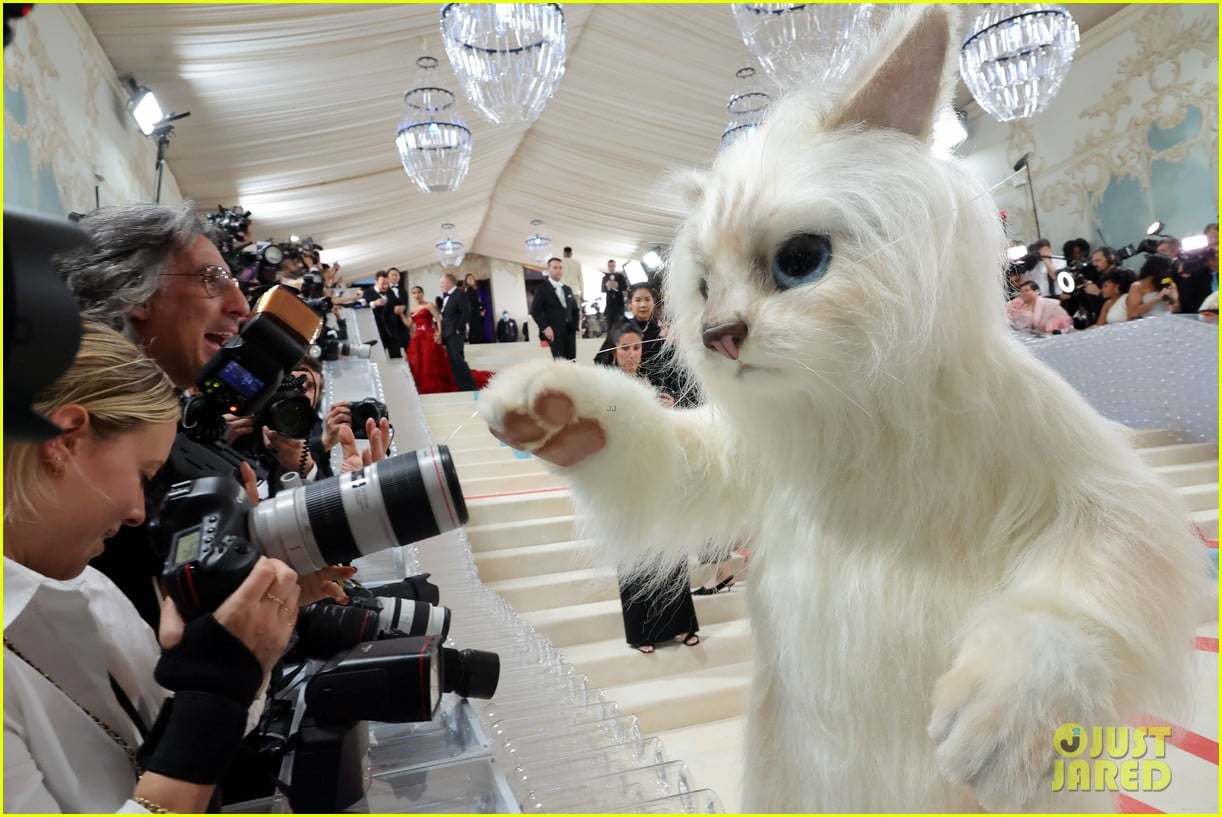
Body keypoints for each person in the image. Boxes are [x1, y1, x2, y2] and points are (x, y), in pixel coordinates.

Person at [3, 321, 301, 812]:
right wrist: (215, 694)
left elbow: (180, 744)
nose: (139, 512)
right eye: (142, 475)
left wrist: (239, 648)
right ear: (64, 440)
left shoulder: (88, 587)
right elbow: (188, 757)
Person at [57, 202, 355, 629]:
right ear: (132, 291)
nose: (240, 304)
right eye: (213, 280)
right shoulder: (85, 434)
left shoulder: (176, 425)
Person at [594, 322, 698, 653]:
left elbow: (661, 428)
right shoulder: (605, 389)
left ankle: (682, 624)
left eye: (636, 347)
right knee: (635, 552)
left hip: (656, 474)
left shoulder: (649, 382)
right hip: (624, 480)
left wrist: (667, 410)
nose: (632, 354)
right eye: (625, 348)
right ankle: (641, 632)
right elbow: (607, 422)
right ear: (613, 351)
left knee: (670, 548)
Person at [530, 257, 580, 361]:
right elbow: (535, 311)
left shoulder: (567, 289)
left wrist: (575, 326)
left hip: (569, 331)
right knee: (560, 362)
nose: (558, 270)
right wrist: (545, 327)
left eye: (560, 268)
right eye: (555, 267)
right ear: (549, 270)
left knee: (572, 361)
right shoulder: (542, 289)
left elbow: (575, 309)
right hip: (554, 332)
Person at [438, 273, 478, 390]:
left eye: (442, 282)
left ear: (450, 282)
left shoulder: (460, 294)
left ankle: (469, 386)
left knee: (457, 358)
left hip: (454, 332)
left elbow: (466, 313)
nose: (440, 285)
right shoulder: (448, 296)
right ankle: (462, 385)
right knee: (453, 360)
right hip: (447, 333)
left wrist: (458, 330)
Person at [1005, 280, 1073, 334]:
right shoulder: (1015, 305)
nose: (1024, 293)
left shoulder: (1050, 304)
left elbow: (1065, 322)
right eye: (1022, 292)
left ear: (1037, 291)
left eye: (1027, 290)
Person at [1127, 254, 1179, 320]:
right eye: (1166, 270)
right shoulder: (1137, 286)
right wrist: (1157, 298)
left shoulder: (1169, 283)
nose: (1168, 273)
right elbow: (1133, 313)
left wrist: (1174, 303)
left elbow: (1177, 307)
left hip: (1169, 320)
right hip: (1150, 324)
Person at [602, 259, 629, 328]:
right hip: (609, 302)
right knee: (610, 321)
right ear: (608, 266)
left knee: (620, 320)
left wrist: (617, 286)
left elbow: (625, 287)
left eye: (612, 266)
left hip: (619, 301)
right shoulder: (605, 277)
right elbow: (603, 289)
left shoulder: (620, 276)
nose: (611, 268)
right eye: (610, 266)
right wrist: (608, 287)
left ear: (615, 266)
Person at [463, 273, 489, 344]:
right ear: (466, 281)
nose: (471, 280)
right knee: (475, 333)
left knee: (477, 333)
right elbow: (470, 304)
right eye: (469, 278)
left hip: (475, 314)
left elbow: (478, 302)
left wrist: (481, 309)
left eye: (472, 278)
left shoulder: (473, 290)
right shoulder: (468, 290)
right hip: (473, 315)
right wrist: (480, 311)